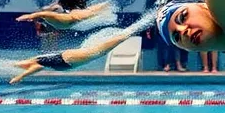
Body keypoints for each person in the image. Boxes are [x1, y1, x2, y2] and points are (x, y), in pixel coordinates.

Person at [9, 28, 139, 84]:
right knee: (36, 60)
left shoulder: (100, 49)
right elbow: (37, 67)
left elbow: (35, 65)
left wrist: (19, 75)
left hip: (66, 60)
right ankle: (14, 67)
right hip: (66, 60)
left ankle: (19, 76)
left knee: (38, 63)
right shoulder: (98, 49)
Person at [144, 0, 183, 71]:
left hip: (170, 25)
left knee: (174, 45)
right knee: (163, 46)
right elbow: (153, 10)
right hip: (160, 25)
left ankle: (176, 64)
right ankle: (165, 64)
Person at [15, 1, 112, 30]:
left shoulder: (49, 14)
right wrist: (30, 17)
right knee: (89, 12)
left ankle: (108, 4)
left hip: (70, 19)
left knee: (90, 12)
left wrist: (28, 16)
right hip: (68, 20)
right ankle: (107, 5)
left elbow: (42, 13)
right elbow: (42, 14)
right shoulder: (49, 17)